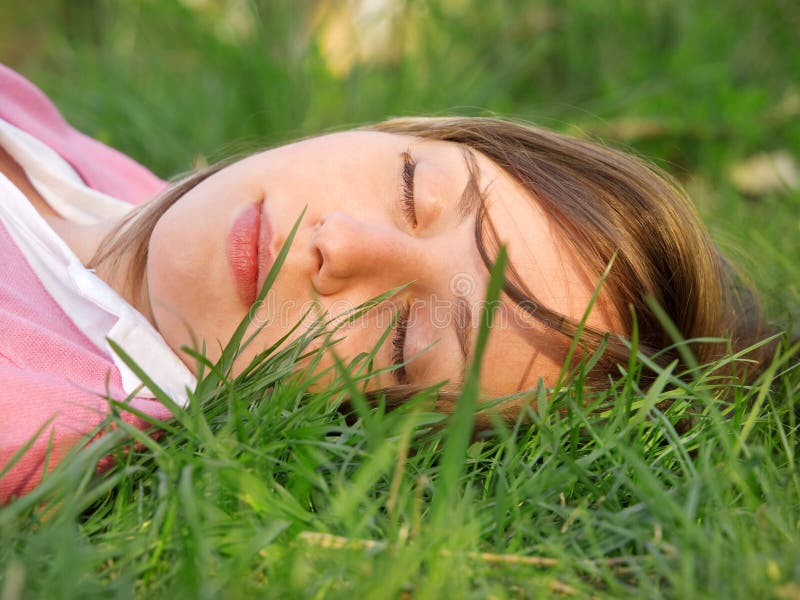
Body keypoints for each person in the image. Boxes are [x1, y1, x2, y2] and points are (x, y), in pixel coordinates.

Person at [0, 64, 770, 503]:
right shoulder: (94, 172)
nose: (342, 245)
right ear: (408, 132)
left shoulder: (40, 408)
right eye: (410, 190)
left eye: (402, 338)